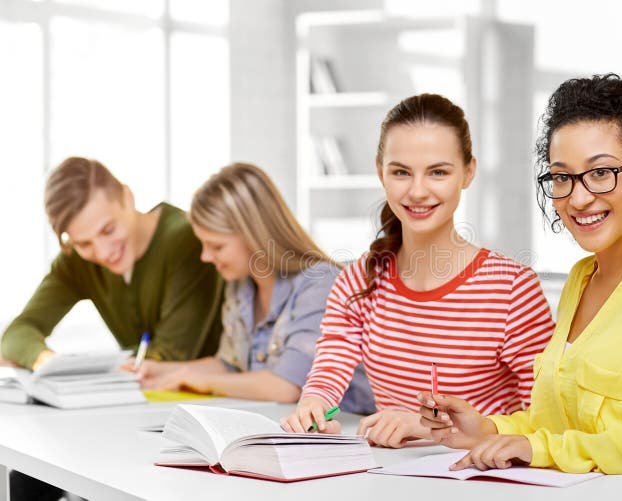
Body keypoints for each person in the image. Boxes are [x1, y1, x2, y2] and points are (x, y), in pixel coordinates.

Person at [418, 74, 622, 488]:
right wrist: (488, 430)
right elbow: (561, 423)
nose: (577, 198)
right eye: (562, 177)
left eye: (601, 173)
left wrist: (543, 451)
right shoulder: (581, 280)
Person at [282, 93, 555, 447]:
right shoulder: (357, 282)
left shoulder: (512, 290)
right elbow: (328, 371)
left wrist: (437, 430)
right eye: (401, 172)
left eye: (438, 172)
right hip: (387, 478)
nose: (417, 191)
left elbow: (549, 419)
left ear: (468, 172)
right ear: (381, 173)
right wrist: (313, 408)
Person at [1, 157, 224, 500]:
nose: (102, 252)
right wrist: (46, 361)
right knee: (30, 475)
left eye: (108, 230)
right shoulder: (77, 262)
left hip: (200, 413)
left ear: (127, 197)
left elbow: (173, 356)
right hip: (134, 410)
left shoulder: (186, 240)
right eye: (84, 243)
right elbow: (17, 333)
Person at [132, 163, 374, 414]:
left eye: (216, 246)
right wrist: (166, 371)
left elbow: (287, 386)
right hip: (281, 426)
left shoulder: (320, 284)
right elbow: (230, 364)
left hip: (345, 431)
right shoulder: (240, 286)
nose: (205, 257)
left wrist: (204, 382)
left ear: (253, 235)